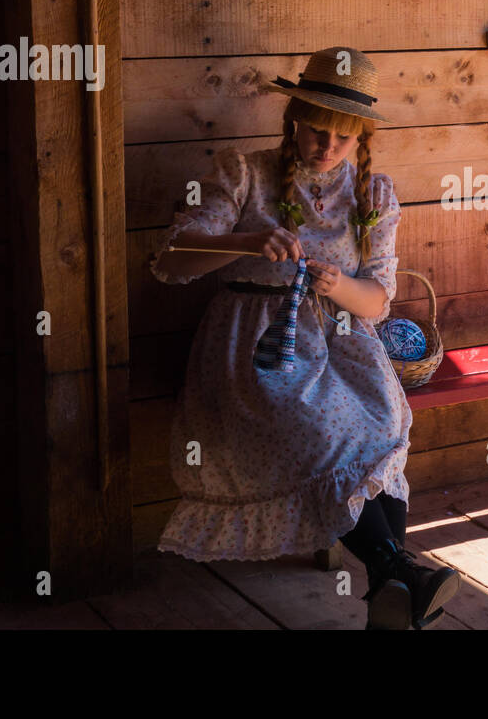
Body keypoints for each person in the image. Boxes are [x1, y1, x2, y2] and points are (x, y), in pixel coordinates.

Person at [149, 46, 461, 630]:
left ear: (360, 136)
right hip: (261, 348)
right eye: (316, 130)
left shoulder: (373, 195)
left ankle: (393, 584)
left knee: (384, 421)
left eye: (343, 138)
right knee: (323, 430)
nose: (326, 147)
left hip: (341, 340)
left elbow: (379, 300)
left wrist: (340, 283)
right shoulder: (243, 173)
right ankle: (400, 575)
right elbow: (170, 261)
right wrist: (246, 242)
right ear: (293, 118)